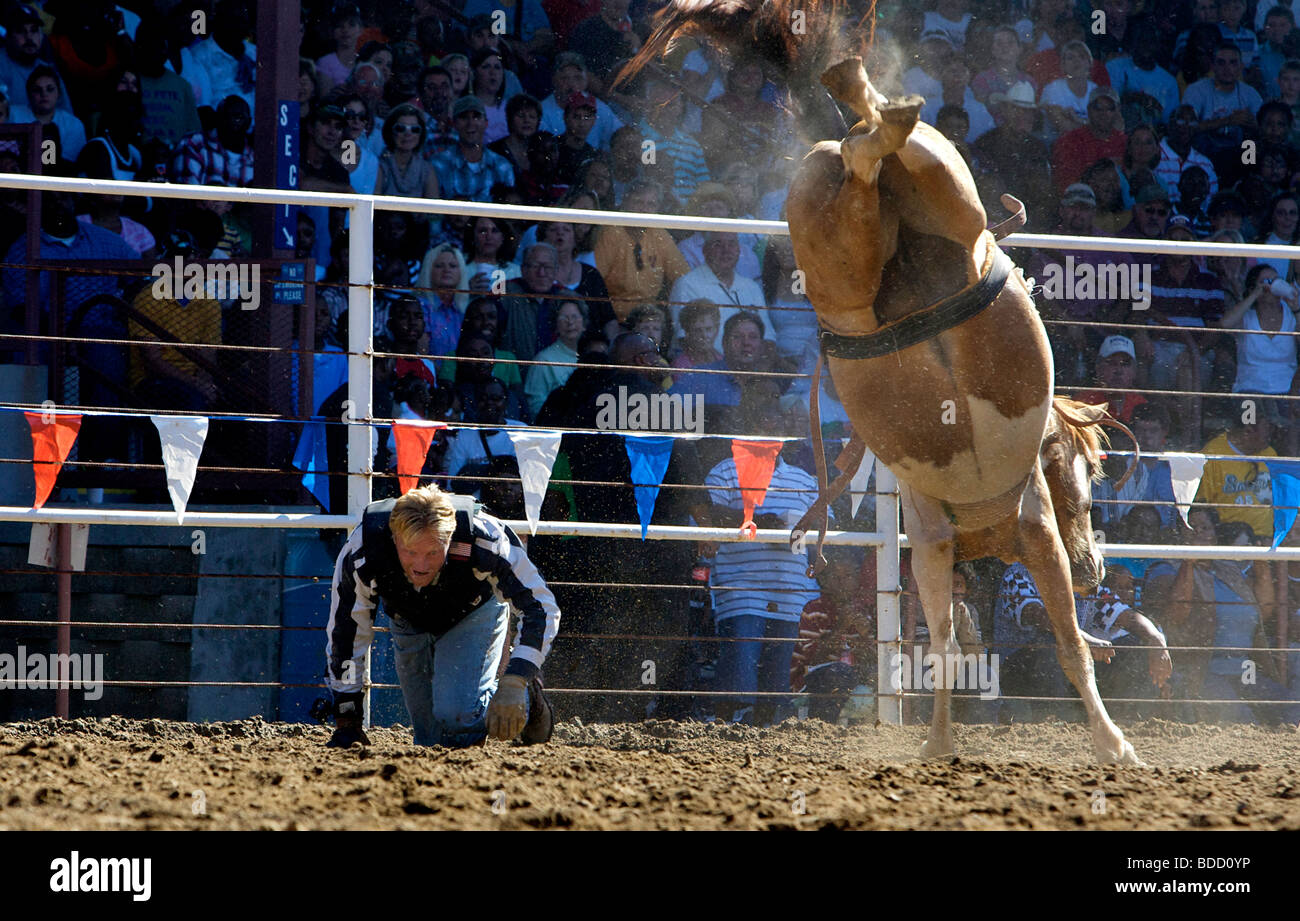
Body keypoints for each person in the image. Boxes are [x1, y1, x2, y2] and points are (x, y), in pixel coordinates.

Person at [324, 484, 558, 747]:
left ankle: (530, 699)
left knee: (457, 716)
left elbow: (541, 607)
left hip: (473, 610)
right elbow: (346, 630)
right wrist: (348, 720)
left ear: (451, 538)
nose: (420, 565)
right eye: (410, 552)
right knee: (431, 739)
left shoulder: (484, 538)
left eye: (433, 552)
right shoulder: (364, 548)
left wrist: (515, 680)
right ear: (394, 537)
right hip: (407, 617)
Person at [704, 381, 819, 724]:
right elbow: (707, 516)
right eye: (761, 423)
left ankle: (770, 729)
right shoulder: (724, 471)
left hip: (789, 591)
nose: (769, 430)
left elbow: (822, 529)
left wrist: (802, 537)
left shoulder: (804, 480)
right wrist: (758, 520)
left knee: (777, 670)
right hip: (741, 588)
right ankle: (730, 729)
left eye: (775, 425)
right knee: (740, 662)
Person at [668, 232, 764, 352]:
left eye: (732, 244)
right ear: (705, 250)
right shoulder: (686, 285)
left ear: (739, 251)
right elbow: (685, 341)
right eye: (718, 245)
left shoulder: (752, 287)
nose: (726, 250)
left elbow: (768, 338)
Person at [431, 96, 516, 202]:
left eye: (476, 117)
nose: (470, 123)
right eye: (464, 117)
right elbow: (433, 215)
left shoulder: (502, 166)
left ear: (486, 123)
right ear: (454, 124)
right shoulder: (438, 164)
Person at [171, 95, 254, 187]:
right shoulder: (194, 144)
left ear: (248, 123)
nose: (231, 122)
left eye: (238, 118)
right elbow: (187, 194)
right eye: (225, 116)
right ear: (217, 118)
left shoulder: (254, 156)